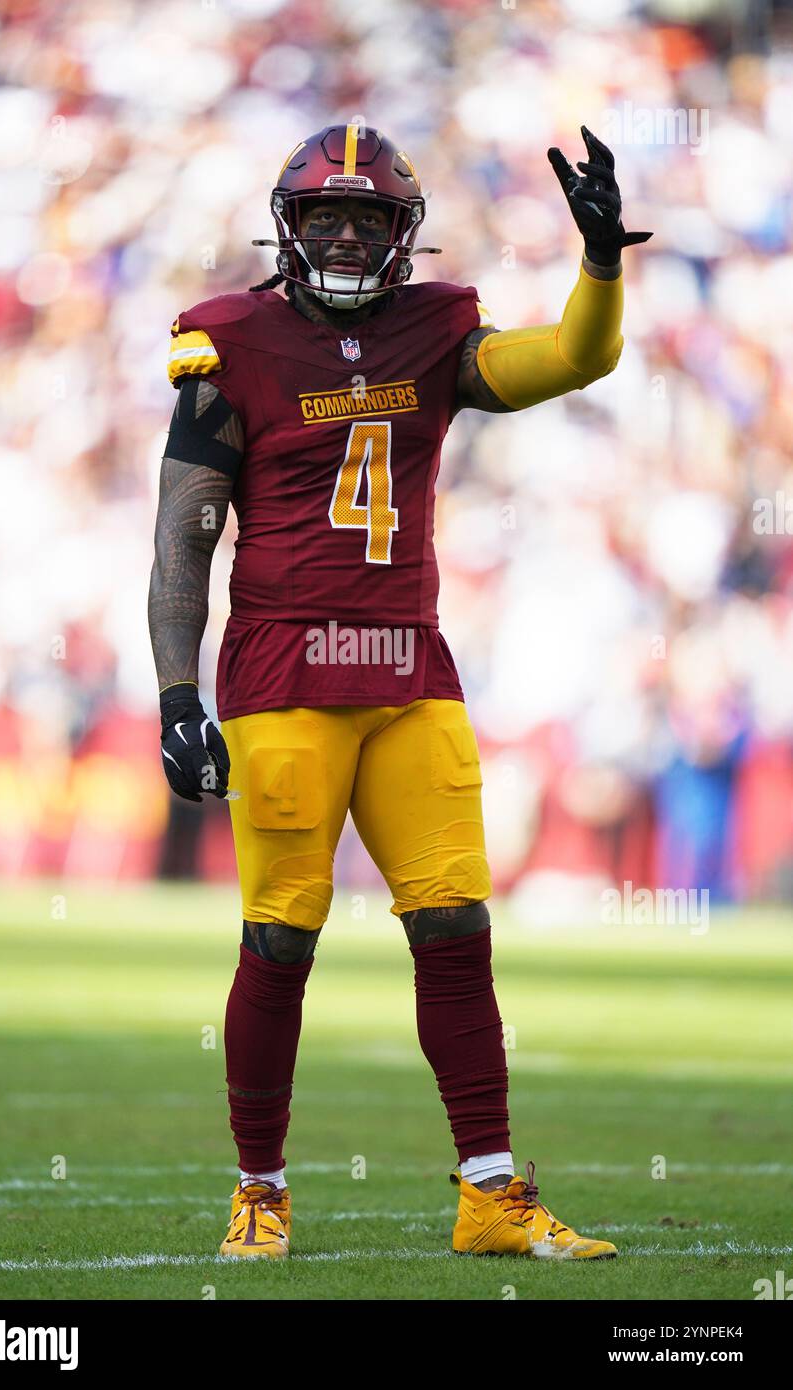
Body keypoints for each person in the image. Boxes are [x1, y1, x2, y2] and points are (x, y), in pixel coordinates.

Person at [148, 122, 650, 1260]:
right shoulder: (228, 342)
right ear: (286, 228)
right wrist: (179, 693)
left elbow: (572, 358)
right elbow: (184, 535)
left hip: (407, 666)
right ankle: (260, 1191)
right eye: (321, 216)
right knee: (280, 938)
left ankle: (488, 1195)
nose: (339, 234)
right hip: (281, 673)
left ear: (399, 236)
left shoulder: (435, 332)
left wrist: (601, 265)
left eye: (364, 219)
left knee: (456, 927)